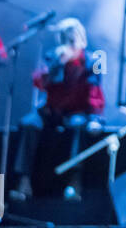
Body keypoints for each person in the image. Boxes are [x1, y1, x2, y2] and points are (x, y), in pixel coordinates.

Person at [8, 18, 105, 201]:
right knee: (29, 124)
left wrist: (94, 117)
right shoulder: (53, 58)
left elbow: (95, 91)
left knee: (77, 126)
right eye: (65, 40)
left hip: (77, 111)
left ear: (80, 39)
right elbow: (39, 82)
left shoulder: (93, 60)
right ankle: (24, 181)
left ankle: (73, 181)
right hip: (52, 110)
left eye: (71, 39)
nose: (69, 44)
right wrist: (58, 65)